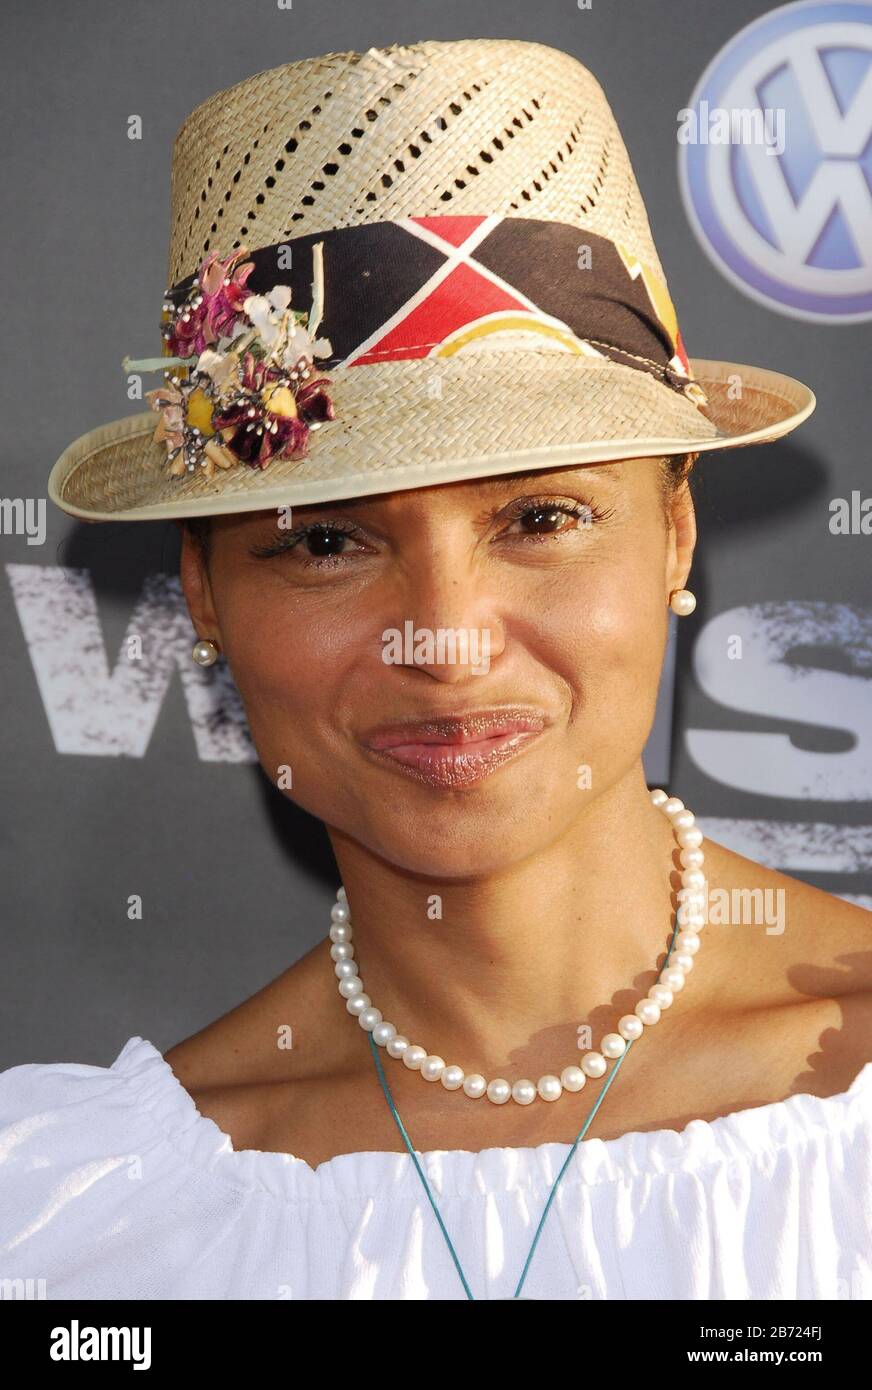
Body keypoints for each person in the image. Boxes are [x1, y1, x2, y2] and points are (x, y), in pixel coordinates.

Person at [2, 38, 869, 1302]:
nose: (447, 639)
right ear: (202, 592)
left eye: (540, 519)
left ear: (674, 532)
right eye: (327, 541)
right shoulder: (79, 1224)